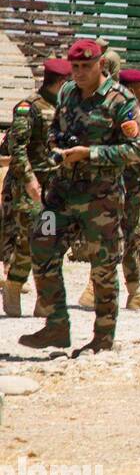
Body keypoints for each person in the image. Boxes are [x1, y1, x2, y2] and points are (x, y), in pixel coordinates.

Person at [19, 39, 140, 354]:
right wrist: (57, 147)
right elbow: (55, 131)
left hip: (101, 197)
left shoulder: (121, 100)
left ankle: (102, 339)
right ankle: (56, 325)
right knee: (41, 244)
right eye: (75, 68)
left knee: (103, 266)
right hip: (61, 193)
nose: (79, 73)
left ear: (101, 65)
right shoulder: (66, 94)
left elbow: (136, 150)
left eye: (86, 67)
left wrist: (89, 154)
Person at [73, 67, 140, 311]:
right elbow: (135, 157)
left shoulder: (120, 108)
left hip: (120, 184)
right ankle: (97, 289)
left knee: (122, 237)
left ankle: (133, 291)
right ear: (132, 89)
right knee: (121, 237)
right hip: (123, 185)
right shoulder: (128, 112)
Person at [2, 58, 69, 318]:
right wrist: (30, 181)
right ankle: (14, 285)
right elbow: (16, 149)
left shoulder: (64, 108)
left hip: (53, 188)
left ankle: (43, 298)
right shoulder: (28, 108)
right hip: (27, 187)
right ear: (61, 82)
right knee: (30, 240)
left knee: (49, 240)